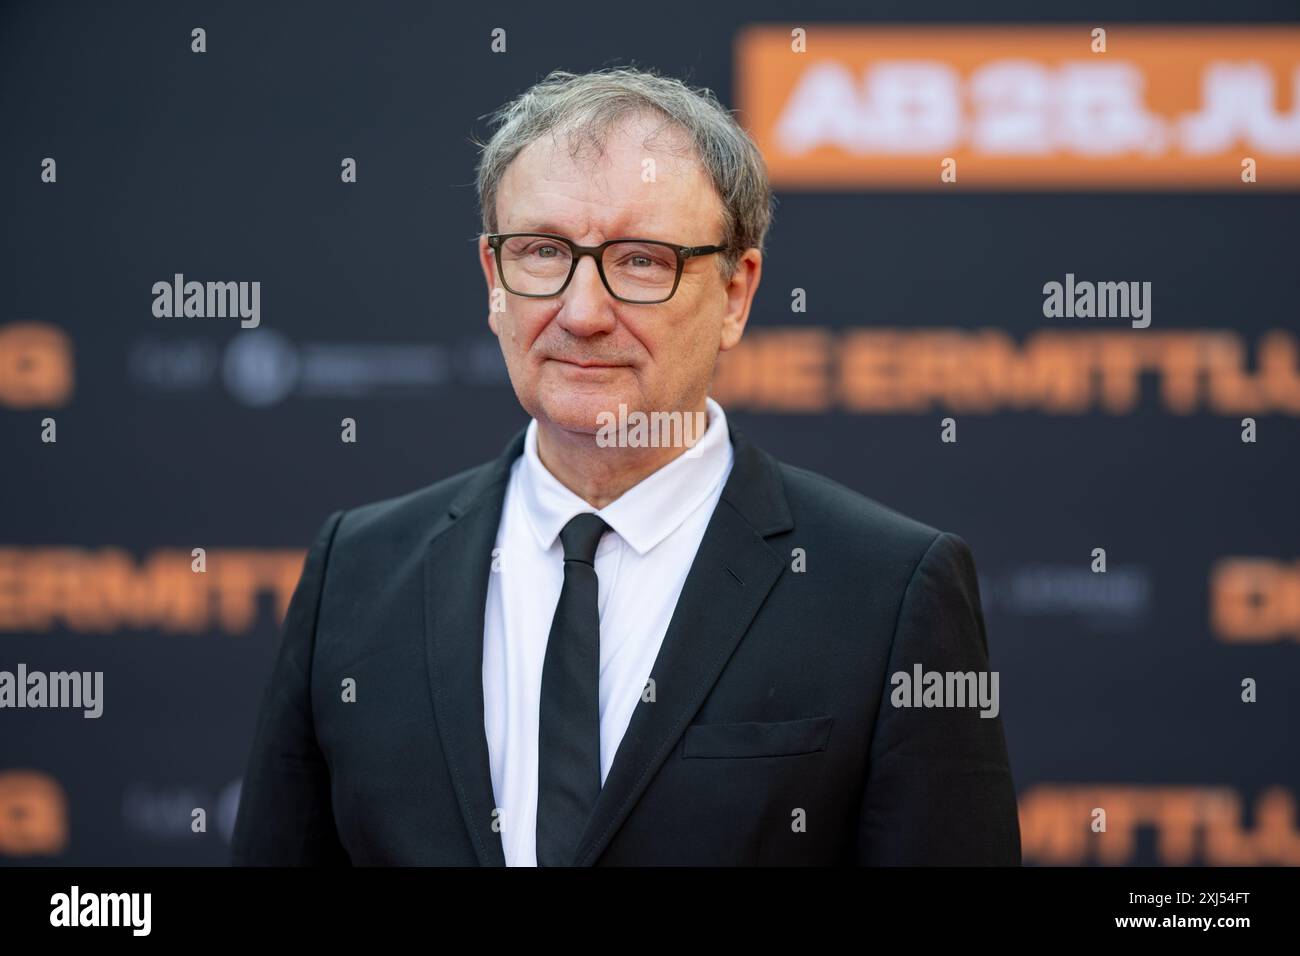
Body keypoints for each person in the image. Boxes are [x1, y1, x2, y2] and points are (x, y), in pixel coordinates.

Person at [230, 67, 1020, 866]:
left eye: (641, 261)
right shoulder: (357, 573)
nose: (581, 312)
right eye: (542, 253)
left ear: (736, 294)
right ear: (493, 281)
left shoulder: (885, 590)